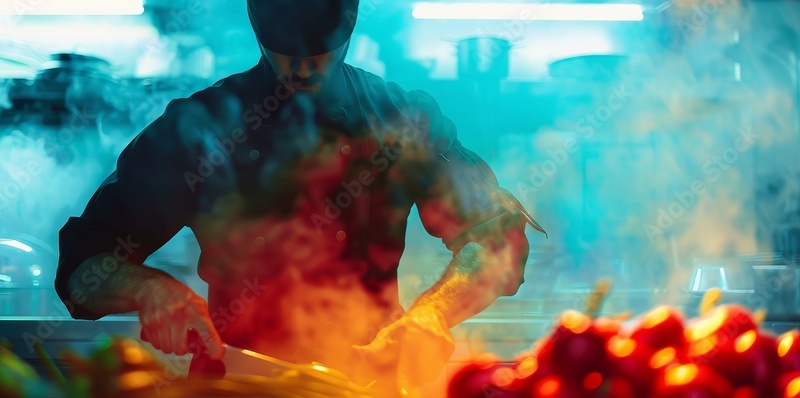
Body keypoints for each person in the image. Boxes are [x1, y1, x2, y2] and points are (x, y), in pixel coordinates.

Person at [54, 0, 545, 391]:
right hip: (236, 383)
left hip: (368, 379)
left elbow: (496, 233)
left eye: (321, 53)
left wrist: (434, 314)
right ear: (255, 21)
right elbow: (82, 265)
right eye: (286, 51)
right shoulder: (196, 127)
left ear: (349, 24)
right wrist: (148, 289)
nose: (303, 68)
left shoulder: (401, 117)